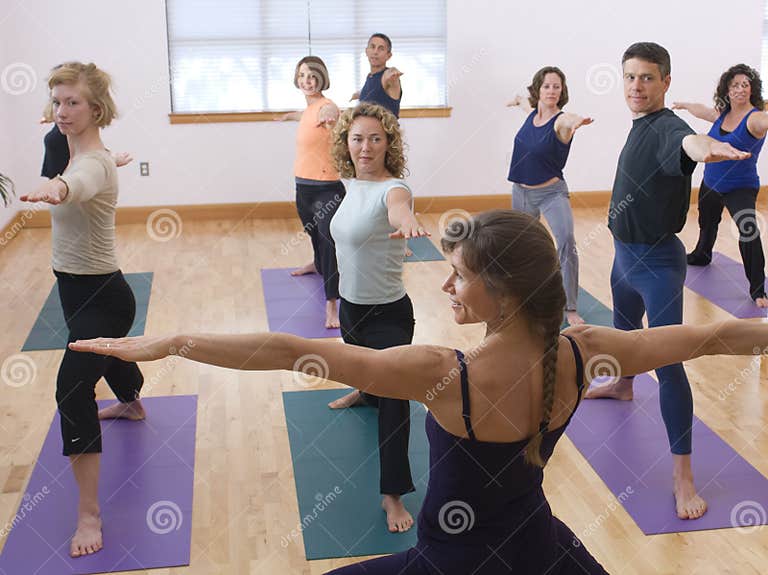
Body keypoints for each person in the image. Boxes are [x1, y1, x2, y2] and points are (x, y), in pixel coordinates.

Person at [70, 209, 768, 574]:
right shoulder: (588, 354)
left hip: (452, 561)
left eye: (458, 274)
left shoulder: (441, 372)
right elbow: (714, 338)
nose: (445, 285)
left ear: (502, 288)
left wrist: (168, 342)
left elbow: (288, 350)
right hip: (537, 551)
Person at [584, 43, 751, 520]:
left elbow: (688, 143)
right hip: (623, 260)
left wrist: (709, 147)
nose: (637, 86)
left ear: (666, 82)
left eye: (648, 78)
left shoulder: (668, 128)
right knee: (620, 335)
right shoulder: (638, 127)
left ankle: (683, 477)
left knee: (669, 362)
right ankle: (621, 384)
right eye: (630, 77)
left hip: (657, 265)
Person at [20, 62, 146, 558]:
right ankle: (133, 401)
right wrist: (68, 173)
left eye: (73, 102)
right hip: (75, 290)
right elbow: (86, 165)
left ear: (96, 108)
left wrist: (54, 189)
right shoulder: (80, 151)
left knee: (73, 387)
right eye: (57, 101)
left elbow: (76, 184)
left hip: (103, 296)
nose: (62, 110)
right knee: (105, 352)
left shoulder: (90, 164)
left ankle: (90, 514)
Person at [323, 102, 427, 532]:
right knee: (367, 374)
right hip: (351, 309)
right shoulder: (349, 183)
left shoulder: (394, 189)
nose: (366, 147)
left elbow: (400, 207)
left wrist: (407, 221)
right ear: (347, 143)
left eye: (376, 139)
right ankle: (365, 391)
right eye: (357, 138)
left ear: (389, 144)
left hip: (388, 314)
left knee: (396, 403)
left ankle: (393, 495)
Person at [673, 64, 768, 307]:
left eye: (745, 84)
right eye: (735, 85)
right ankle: (702, 255)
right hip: (711, 182)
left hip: (740, 187)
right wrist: (685, 105)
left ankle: (758, 289)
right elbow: (703, 111)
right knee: (707, 222)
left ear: (752, 89)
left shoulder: (755, 118)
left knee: (748, 232)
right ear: (727, 90)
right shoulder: (723, 114)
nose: (740, 89)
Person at [506, 66, 593, 326]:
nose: (552, 91)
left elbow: (568, 120)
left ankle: (570, 307)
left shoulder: (561, 121)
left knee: (566, 240)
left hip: (551, 193)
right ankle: (523, 298)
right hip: (521, 192)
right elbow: (525, 103)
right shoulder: (533, 113)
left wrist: (577, 121)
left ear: (562, 91)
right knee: (522, 248)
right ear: (538, 90)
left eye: (557, 86)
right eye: (547, 86)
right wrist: (517, 100)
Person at [280, 56, 344, 328]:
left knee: (329, 244)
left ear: (322, 78)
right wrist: (289, 116)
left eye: (312, 75)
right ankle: (316, 265)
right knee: (312, 232)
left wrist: (333, 119)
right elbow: (307, 115)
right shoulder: (309, 108)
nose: (307, 80)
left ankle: (332, 305)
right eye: (302, 75)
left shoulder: (326, 106)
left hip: (327, 189)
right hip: (303, 186)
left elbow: (330, 117)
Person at [350, 33, 403, 118]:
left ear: (389, 55)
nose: (375, 52)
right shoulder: (370, 76)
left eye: (381, 49)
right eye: (372, 47)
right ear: (366, 51)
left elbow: (389, 74)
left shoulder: (388, 76)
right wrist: (359, 94)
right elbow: (374, 91)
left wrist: (394, 73)